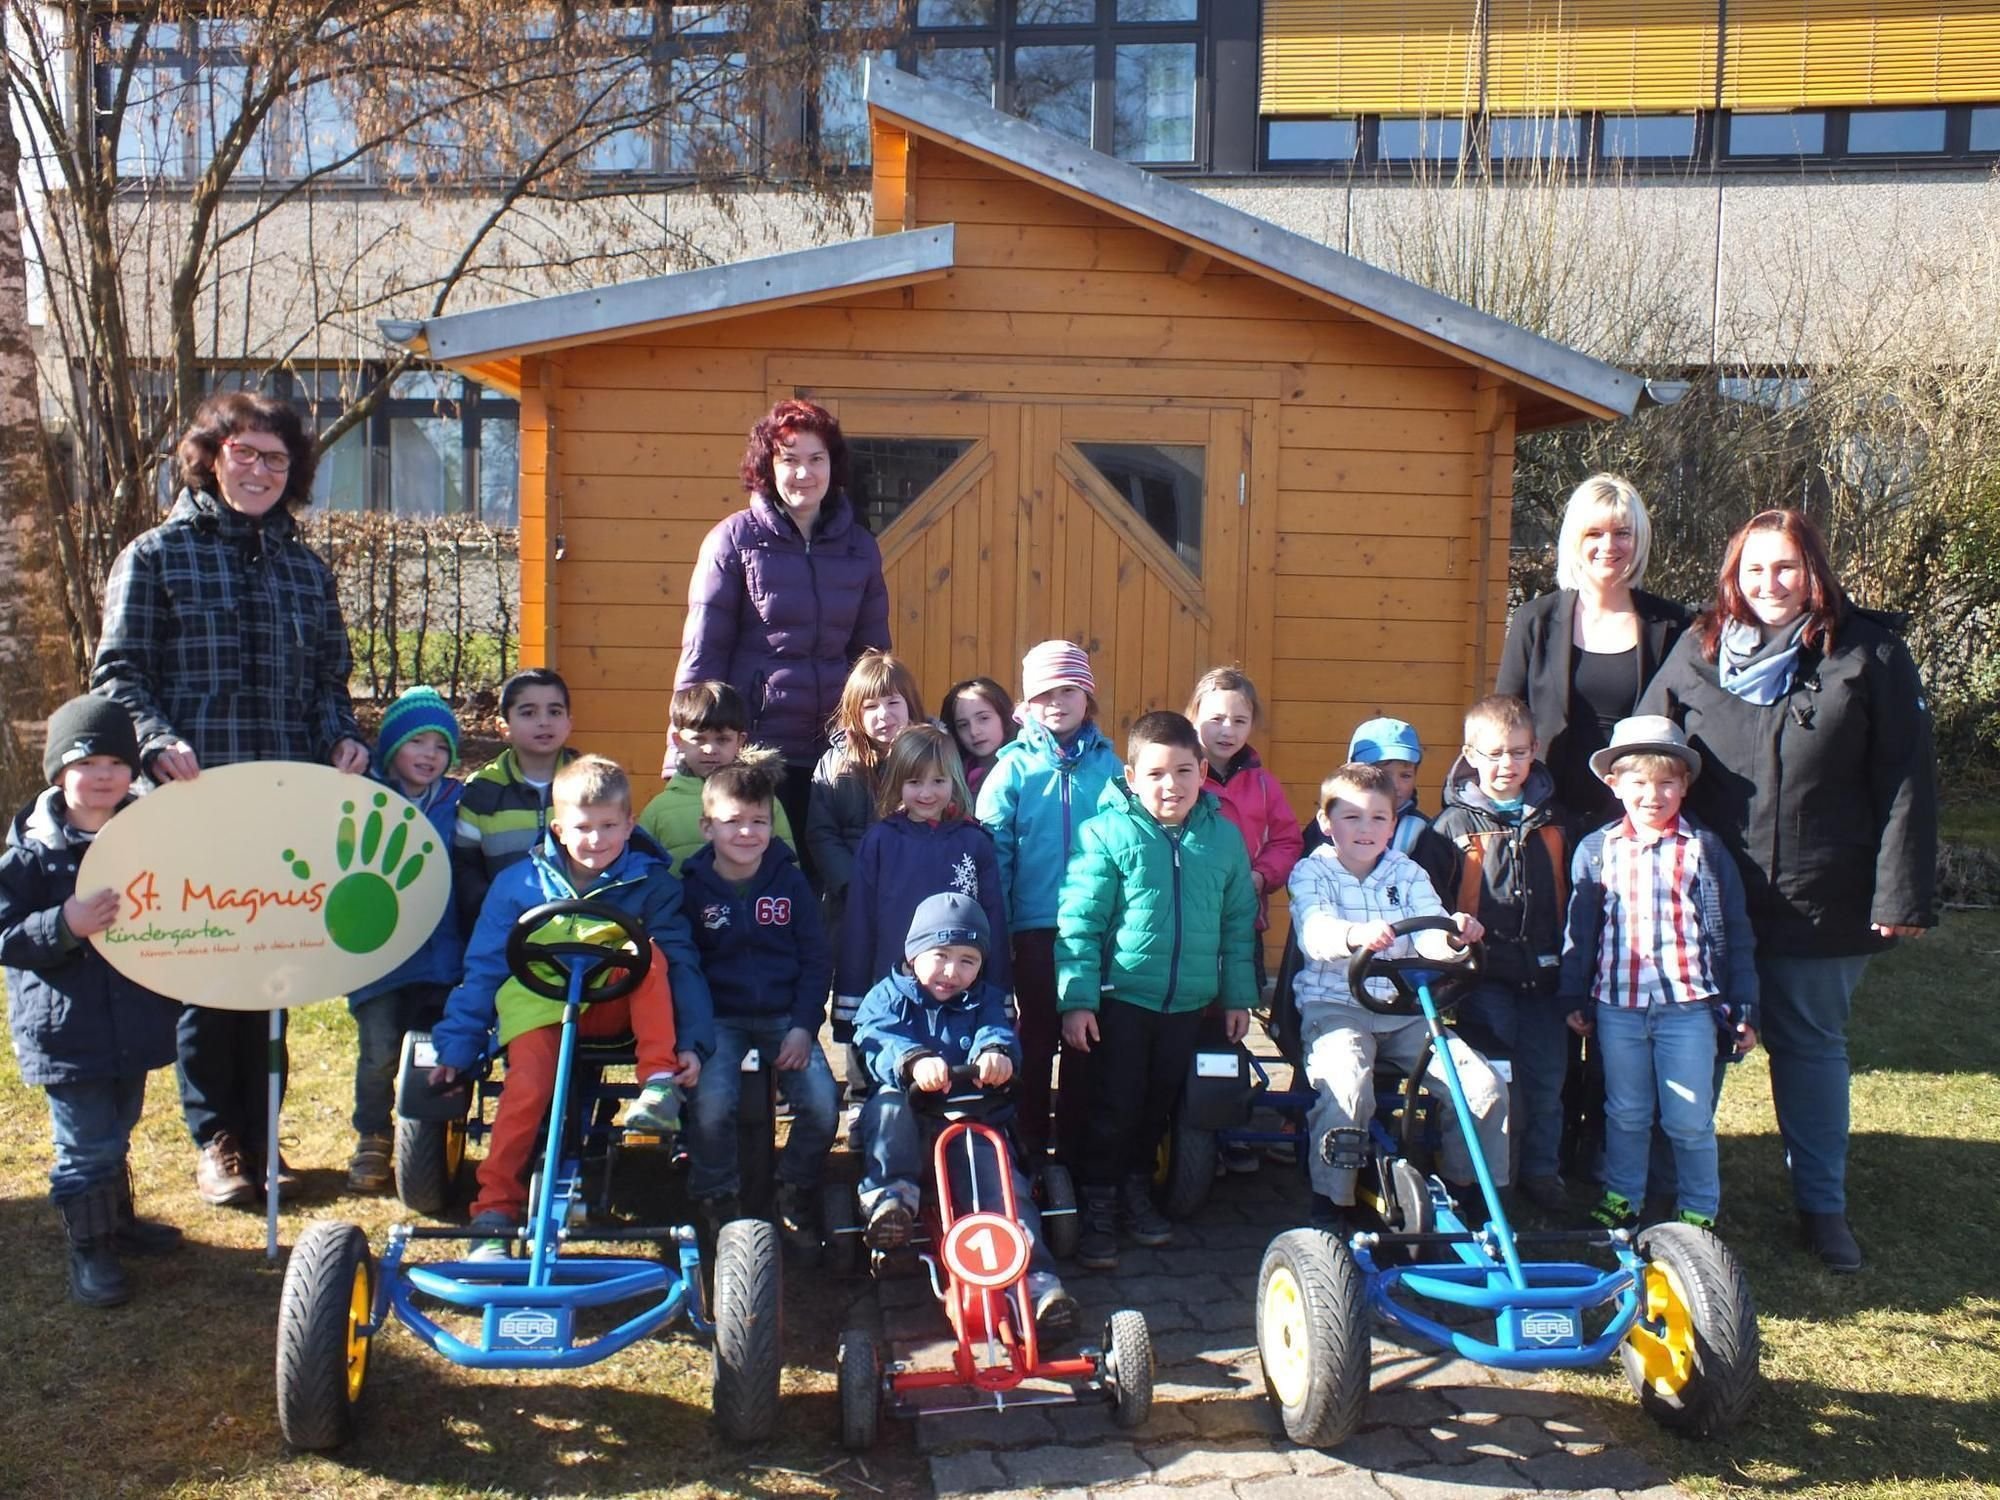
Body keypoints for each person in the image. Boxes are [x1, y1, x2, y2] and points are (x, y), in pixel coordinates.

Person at [92, 390, 369, 1208]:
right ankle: (218, 1140)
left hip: (285, 803)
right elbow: (121, 675)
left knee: (272, 977)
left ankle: (265, 1135)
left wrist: (340, 736)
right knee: (209, 978)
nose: (259, 470)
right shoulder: (156, 556)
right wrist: (152, 738)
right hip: (195, 799)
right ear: (211, 458)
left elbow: (327, 681)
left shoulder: (306, 571)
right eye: (244, 454)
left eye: (276, 459)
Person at [1641, 508, 1936, 1272]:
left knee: (1809, 1050)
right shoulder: (1697, 649)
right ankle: (1674, 1194)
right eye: (1754, 569)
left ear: (1815, 572)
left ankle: (1821, 1206)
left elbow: (1906, 779)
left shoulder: (1869, 653)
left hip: (1823, 895)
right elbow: (1646, 747)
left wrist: (1898, 894)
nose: (1770, 584)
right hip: (1704, 900)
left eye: (1787, 568)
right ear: (1732, 577)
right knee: (1693, 1042)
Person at [428, 756, 714, 1259]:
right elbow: (486, 968)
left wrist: (690, 1042)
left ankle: (658, 1087)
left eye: (609, 826)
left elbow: (685, 967)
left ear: (629, 823)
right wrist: (458, 1045)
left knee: (654, 956)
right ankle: (496, 1208)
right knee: (526, 1091)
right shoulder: (519, 884)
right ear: (559, 829)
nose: (597, 840)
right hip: (539, 1008)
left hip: (617, 1010)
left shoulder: (653, 885)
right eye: (583, 828)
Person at [1056, 711, 1258, 1269]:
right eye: (1157, 773)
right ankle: (1097, 1201)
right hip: (1121, 1002)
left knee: (1158, 1106)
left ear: (1202, 773)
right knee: (1113, 1106)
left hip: (1188, 1004)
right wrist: (1077, 1001)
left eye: (1185, 771)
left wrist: (1237, 995)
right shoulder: (1106, 833)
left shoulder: (1222, 839)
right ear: (1131, 774)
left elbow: (1238, 922)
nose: (1172, 786)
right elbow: (1079, 924)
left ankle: (1136, 1192)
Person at [1, 696, 182, 1306]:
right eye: (85, 761)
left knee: (120, 1127)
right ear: (58, 772)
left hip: (132, 1022)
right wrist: (63, 923)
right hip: (67, 1029)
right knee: (85, 1145)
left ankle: (117, 1221)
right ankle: (91, 1246)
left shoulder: (149, 837)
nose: (103, 774)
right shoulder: (30, 852)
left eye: (115, 761)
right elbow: (5, 933)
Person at [1559, 717, 1760, 1233]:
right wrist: (1573, 995)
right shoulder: (1595, 850)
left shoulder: (1704, 849)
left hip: (1687, 1006)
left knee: (1687, 1118)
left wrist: (1743, 1004)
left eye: (1667, 782)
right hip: (1617, 1005)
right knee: (1625, 1111)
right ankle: (1623, 1195)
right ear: (1615, 784)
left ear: (1685, 785)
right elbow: (1580, 931)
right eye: (1640, 783)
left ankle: (1699, 1204)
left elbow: (1733, 930)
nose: (1654, 795)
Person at [1288, 762, 1502, 1232]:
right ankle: (1333, 1202)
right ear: (1326, 823)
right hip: (1336, 1009)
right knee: (1348, 1086)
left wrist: (1456, 936)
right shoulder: (1312, 872)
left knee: (1483, 1087)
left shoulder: (1406, 873)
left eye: (1378, 818)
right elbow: (1314, 931)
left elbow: (1430, 931)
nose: (1365, 829)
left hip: (1405, 1012)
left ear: (1394, 823)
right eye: (1351, 817)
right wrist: (1355, 935)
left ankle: (1467, 1193)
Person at [853, 892, 1077, 1334]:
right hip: (913, 1129)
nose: (952, 972)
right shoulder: (887, 998)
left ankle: (1035, 1284)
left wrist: (995, 1053)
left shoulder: (986, 1001)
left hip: (969, 1122)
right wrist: (914, 1061)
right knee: (889, 1106)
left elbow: (996, 1030)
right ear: (913, 952)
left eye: (967, 960)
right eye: (940, 956)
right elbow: (873, 1038)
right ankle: (892, 1202)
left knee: (1004, 1192)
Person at [677, 399, 891, 852]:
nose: (803, 474)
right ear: (766, 467)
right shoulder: (733, 540)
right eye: (789, 460)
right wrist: (682, 754)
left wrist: (882, 739)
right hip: (757, 753)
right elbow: (703, 653)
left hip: (838, 755)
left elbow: (873, 659)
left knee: (834, 884)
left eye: (816, 459)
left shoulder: (860, 549)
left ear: (833, 466)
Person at [677, 759, 838, 1248]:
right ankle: (717, 1198)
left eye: (759, 821)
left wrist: (804, 1027)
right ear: (707, 826)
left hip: (783, 1016)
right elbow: (684, 969)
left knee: (822, 1104)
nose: (746, 832)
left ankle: (792, 1189)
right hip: (719, 1019)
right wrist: (696, 1031)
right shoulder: (689, 890)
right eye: (733, 821)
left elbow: (815, 959)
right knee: (711, 1105)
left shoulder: (790, 884)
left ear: (772, 823)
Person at [975, 640, 1123, 1165]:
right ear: (1027, 704)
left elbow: (1130, 847)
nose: (1056, 702)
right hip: (1034, 928)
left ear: (1089, 694)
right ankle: (1029, 1149)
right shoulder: (1011, 769)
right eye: (1043, 694)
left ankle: (1080, 1155)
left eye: (1067, 690)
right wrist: (1004, 931)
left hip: (1097, 930)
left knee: (1088, 1043)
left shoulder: (1112, 769)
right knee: (1035, 1044)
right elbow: (995, 854)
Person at [1430, 695, 1572, 1213]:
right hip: (1482, 978)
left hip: (1546, 976)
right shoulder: (1450, 827)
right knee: (1494, 1079)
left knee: (1546, 1080)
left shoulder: (1556, 821)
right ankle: (1492, 1179)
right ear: (1469, 754)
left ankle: (1542, 1172)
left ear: (1534, 750)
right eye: (1493, 754)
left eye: (1517, 752)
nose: (1505, 765)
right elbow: (1435, 903)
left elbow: (1573, 893)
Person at [1495, 474, 1691, 835]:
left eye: (1622, 533)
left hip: (1642, 819)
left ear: (1639, 539)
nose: (1609, 545)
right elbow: (1503, 722)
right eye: (1594, 533)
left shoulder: (1676, 625)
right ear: (1575, 539)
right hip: (1545, 815)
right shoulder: (1534, 621)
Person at [345, 687, 467, 1193]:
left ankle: (431, 1139)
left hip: (440, 956)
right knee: (378, 1056)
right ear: (392, 747)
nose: (430, 756)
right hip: (382, 960)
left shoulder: (459, 800)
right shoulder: (365, 798)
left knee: (435, 1054)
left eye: (441, 747)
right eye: (418, 742)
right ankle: (372, 1135)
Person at [836, 726, 1010, 1021]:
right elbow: (858, 924)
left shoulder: (974, 842)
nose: (927, 793)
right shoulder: (880, 841)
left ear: (953, 780)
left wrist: (1000, 1002)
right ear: (897, 782)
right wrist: (851, 1002)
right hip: (893, 994)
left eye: (938, 781)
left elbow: (993, 923)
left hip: (962, 997)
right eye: (915, 781)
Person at [810, 650, 925, 1052]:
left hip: (913, 899)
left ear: (911, 705)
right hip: (850, 903)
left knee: (915, 983)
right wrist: (853, 884)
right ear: (854, 713)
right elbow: (822, 833)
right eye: (870, 706)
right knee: (859, 988)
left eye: (893, 702)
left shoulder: (928, 759)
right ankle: (861, 1086)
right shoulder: (834, 763)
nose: (883, 715)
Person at [1187, 667, 1303, 989]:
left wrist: (1261, 876)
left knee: (1235, 1008)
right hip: (1185, 922)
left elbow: (1286, 842)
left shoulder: (1265, 785)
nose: (1228, 730)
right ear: (1193, 715)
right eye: (1216, 718)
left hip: (1244, 920)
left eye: (1240, 721)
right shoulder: (1180, 778)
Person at [452, 667, 578, 932]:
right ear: (503, 727)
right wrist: (492, 909)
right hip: (503, 933)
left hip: (582, 930)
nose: (544, 722)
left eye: (554, 712)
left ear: (569, 722)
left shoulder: (592, 782)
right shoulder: (483, 791)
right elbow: (465, 867)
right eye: (528, 713)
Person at [639, 681, 795, 868]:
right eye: (698, 739)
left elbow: (787, 869)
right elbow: (640, 876)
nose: (710, 749)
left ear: (739, 741)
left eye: (722, 740)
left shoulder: (764, 802)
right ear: (678, 741)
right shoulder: (659, 810)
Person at [1347, 716, 1455, 894]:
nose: (1395, 785)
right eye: (1383, 774)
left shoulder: (1423, 830)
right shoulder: (1333, 821)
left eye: (1405, 776)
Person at [941, 677, 1016, 799]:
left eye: (983, 718)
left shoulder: (1023, 768)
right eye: (963, 725)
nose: (974, 732)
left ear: (1004, 717)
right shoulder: (951, 775)